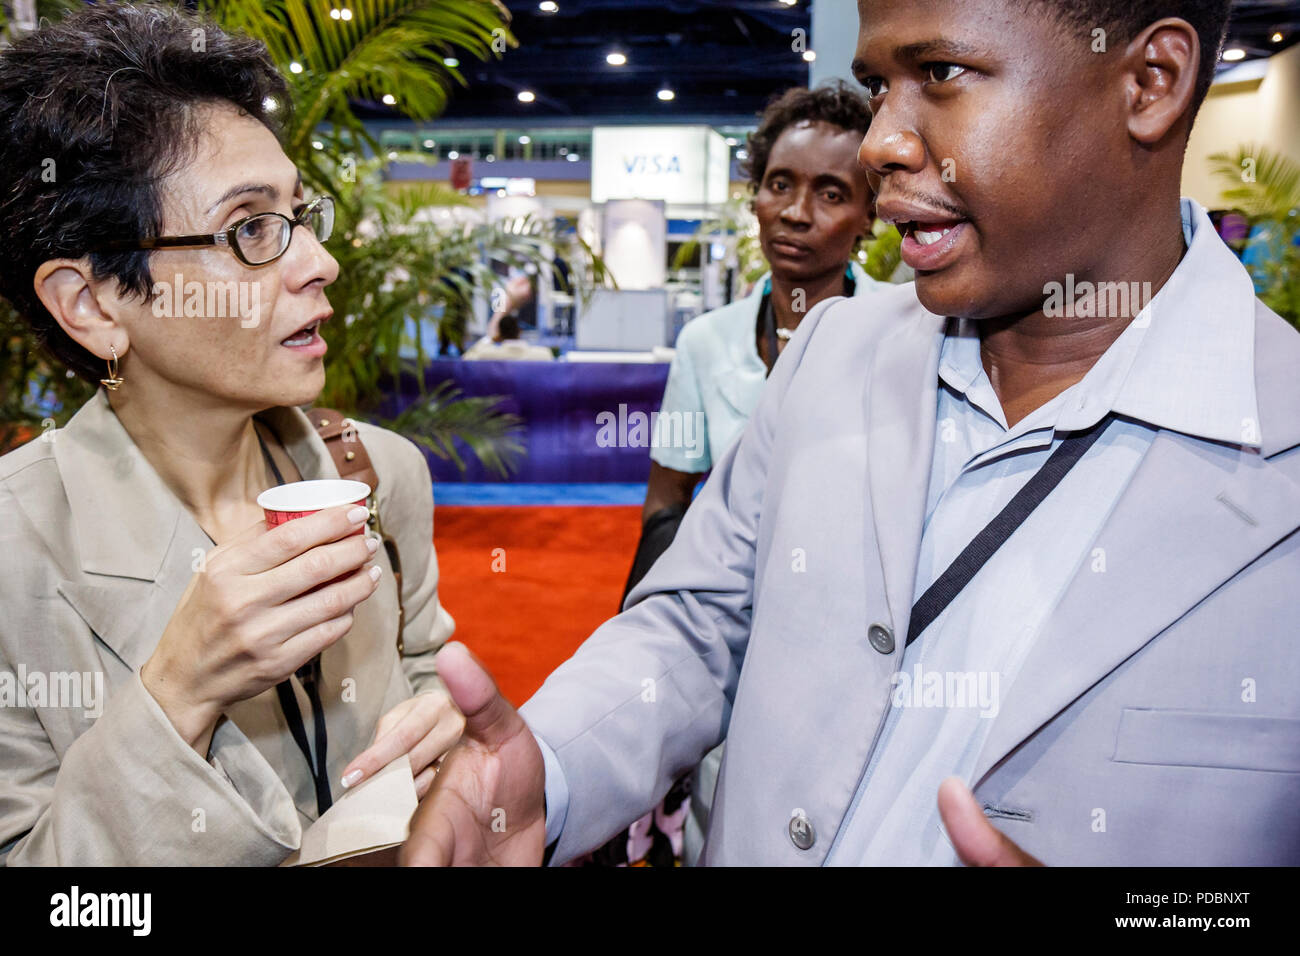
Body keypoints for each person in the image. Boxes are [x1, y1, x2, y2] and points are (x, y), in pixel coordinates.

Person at [404, 0, 1300, 867]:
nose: (879, 143)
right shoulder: (833, 352)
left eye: (942, 73)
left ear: (1150, 80)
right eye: (877, 84)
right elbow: (701, 624)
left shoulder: (1280, 445)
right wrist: (551, 771)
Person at [0, 3, 464, 865]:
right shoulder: (15, 550)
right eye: (250, 228)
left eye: (298, 212)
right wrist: (181, 687)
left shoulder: (375, 470)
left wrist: (439, 729)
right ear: (91, 303)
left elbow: (427, 665)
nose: (318, 263)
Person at [604, 82, 882, 868]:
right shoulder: (706, 343)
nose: (797, 212)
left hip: (852, 650)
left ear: (870, 216)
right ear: (755, 194)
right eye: (780, 184)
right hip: (723, 641)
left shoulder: (909, 336)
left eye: (832, 193)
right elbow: (665, 506)